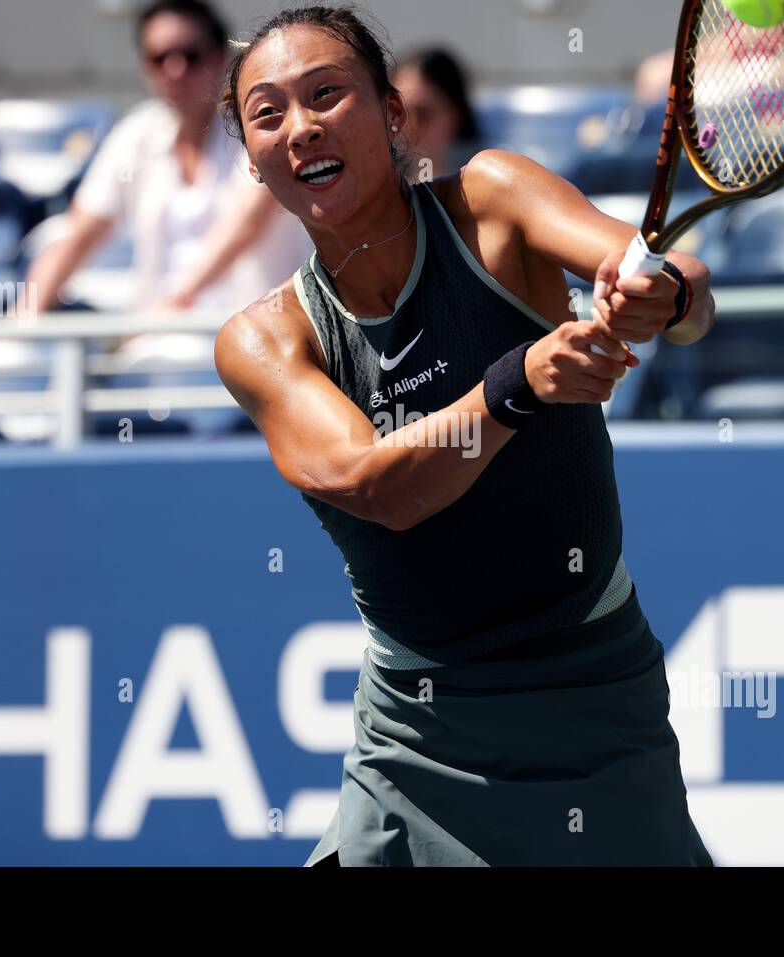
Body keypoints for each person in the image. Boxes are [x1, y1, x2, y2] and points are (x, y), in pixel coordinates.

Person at [214, 6, 716, 867]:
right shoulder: (264, 340)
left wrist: (660, 295)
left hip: (595, 694)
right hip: (418, 730)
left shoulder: (492, 198)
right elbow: (380, 488)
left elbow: (681, 286)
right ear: (256, 164)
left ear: (394, 114)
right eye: (269, 114)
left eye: (327, 94)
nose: (301, 128)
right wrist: (518, 384)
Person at [26, 0, 310, 317]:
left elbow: (245, 227)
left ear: (220, 60)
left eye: (190, 56)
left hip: (259, 334)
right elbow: (78, 234)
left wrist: (171, 305)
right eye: (159, 58)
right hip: (162, 339)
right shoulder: (135, 135)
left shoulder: (260, 125)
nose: (174, 70)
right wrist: (24, 318)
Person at [390, 47, 480, 179]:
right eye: (395, 114)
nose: (406, 127)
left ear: (457, 115)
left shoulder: (485, 180)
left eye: (422, 114)